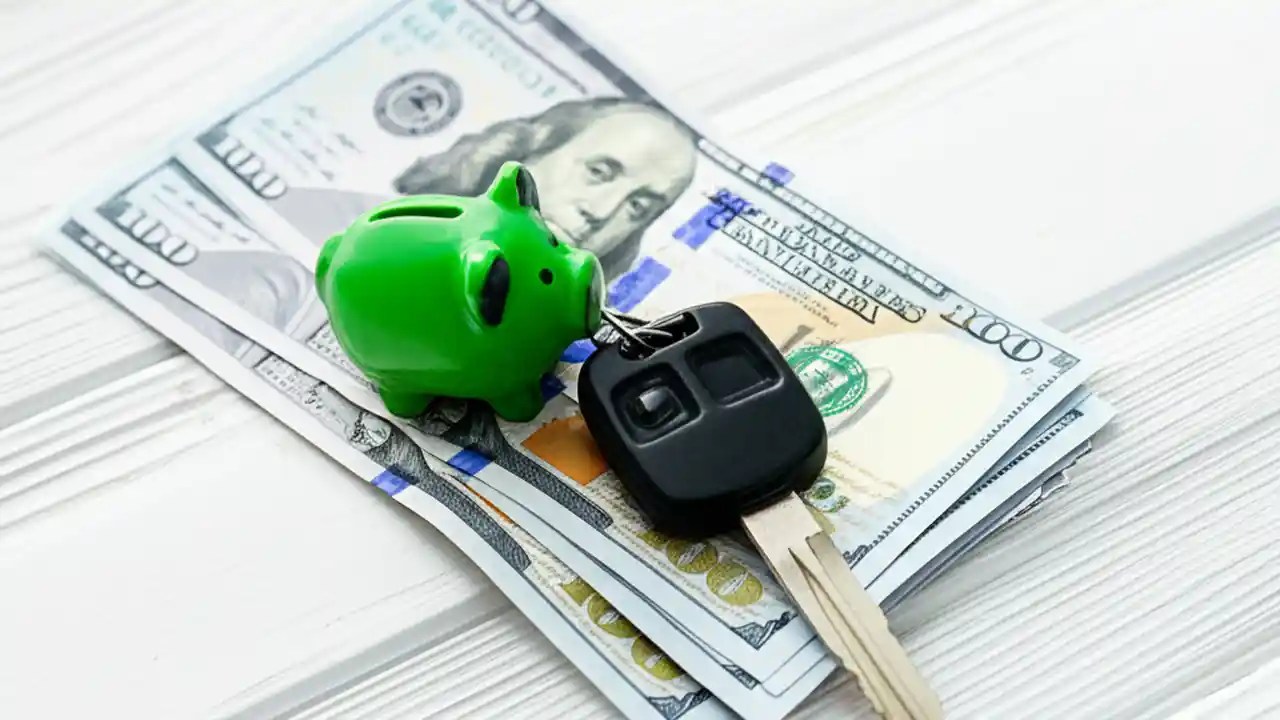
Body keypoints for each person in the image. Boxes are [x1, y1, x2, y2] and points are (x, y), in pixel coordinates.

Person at [274, 97, 698, 283]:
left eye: (639, 207)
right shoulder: (325, 227)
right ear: (531, 150)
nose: (602, 212)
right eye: (599, 172)